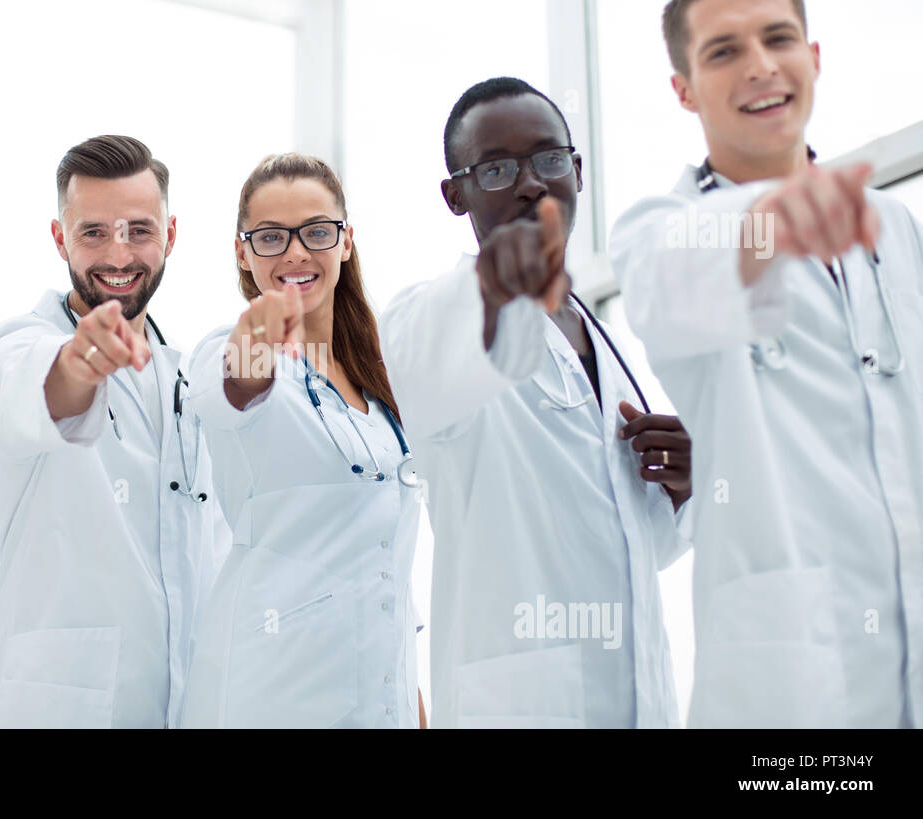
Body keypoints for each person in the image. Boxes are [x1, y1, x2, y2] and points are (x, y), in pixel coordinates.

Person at [609, 0, 922, 728]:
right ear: (683, 88)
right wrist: (772, 220)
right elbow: (672, 280)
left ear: (814, 57)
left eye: (778, 38)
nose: (759, 65)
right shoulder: (662, 230)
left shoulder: (896, 228)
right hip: (792, 690)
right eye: (722, 51)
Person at [380, 78, 693, 728]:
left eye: (550, 159)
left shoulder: (602, 337)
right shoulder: (432, 316)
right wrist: (496, 288)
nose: (530, 184)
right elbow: (422, 363)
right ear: (455, 193)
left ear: (577, 171)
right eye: (495, 169)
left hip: (640, 700)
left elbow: (630, 550)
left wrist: (683, 490)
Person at [0, 135, 229, 729]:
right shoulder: (19, 345)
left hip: (183, 703)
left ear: (170, 236)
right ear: (61, 238)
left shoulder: (186, 376)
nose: (118, 254)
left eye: (139, 230)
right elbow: (44, 385)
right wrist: (78, 365)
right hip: (60, 707)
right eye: (93, 233)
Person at [179, 153, 424, 729]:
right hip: (270, 693)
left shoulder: (382, 381)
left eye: (316, 231)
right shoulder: (226, 349)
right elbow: (233, 386)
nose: (295, 252)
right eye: (269, 237)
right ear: (242, 251)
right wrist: (254, 344)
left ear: (345, 241)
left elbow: (389, 570)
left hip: (376, 692)